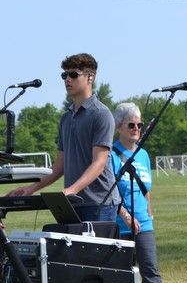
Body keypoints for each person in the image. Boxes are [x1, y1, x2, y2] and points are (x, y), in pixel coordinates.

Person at [7, 53, 120, 222]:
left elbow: (99, 163)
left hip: (99, 203)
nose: (67, 79)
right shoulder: (66, 118)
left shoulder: (101, 115)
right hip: (72, 201)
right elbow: (59, 166)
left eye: (73, 75)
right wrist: (31, 188)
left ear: (90, 77)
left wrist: (71, 189)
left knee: (93, 249)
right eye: (64, 75)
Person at [109, 103, 183, 283]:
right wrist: (125, 215)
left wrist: (149, 208)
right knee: (120, 272)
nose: (136, 129)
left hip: (144, 222)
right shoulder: (111, 154)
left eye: (139, 125)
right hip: (120, 223)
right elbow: (109, 190)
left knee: (150, 266)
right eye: (131, 124)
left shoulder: (143, 155)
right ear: (119, 127)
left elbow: (145, 187)